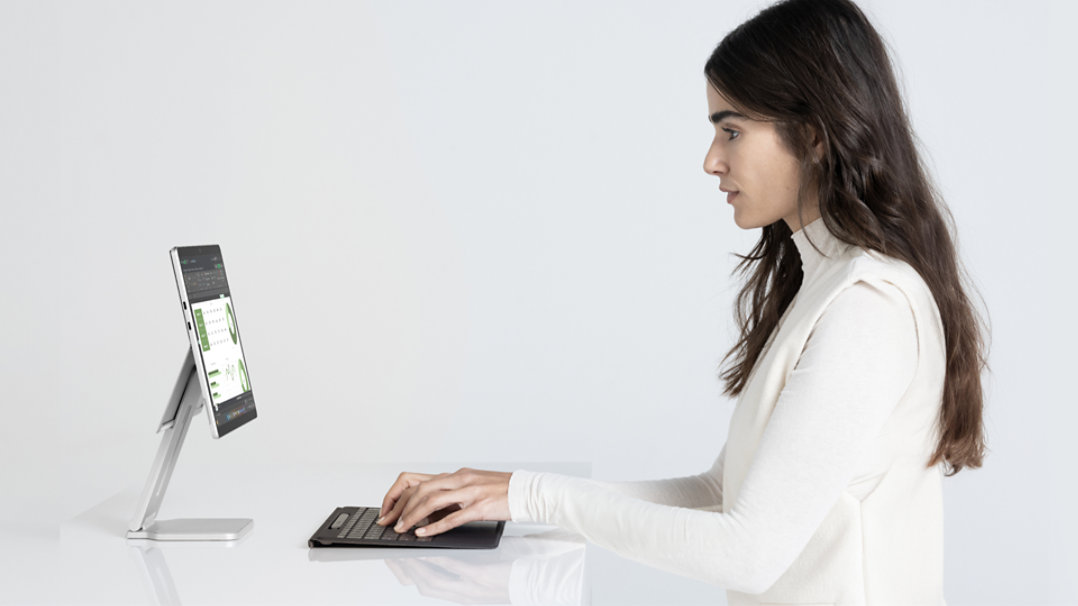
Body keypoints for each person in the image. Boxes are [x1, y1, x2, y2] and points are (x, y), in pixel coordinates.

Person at [374, 0, 989, 602]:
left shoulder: (868, 307)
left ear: (813, 136)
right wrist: (508, 496)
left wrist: (532, 495)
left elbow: (747, 552)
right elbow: (721, 491)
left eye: (732, 130)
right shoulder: (827, 288)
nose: (711, 161)